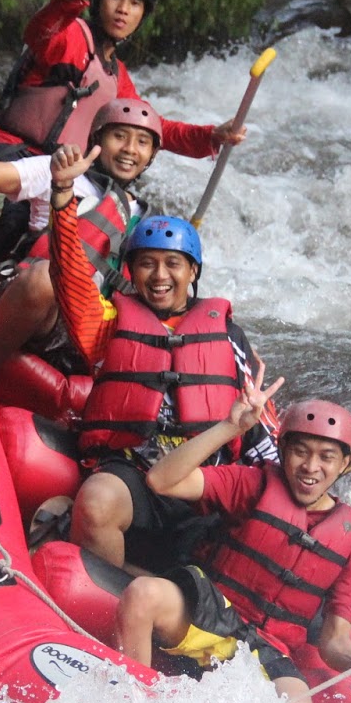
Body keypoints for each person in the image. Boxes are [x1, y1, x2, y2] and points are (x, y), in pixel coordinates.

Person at [0, 0, 246, 301]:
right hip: (8, 151)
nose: (123, 9)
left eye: (134, 4)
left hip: (61, 173)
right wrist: (63, 2)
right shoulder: (72, 35)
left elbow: (152, 128)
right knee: (12, 218)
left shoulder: (116, 77)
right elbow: (40, 36)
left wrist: (211, 137)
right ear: (99, 0)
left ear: (141, 16)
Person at [115, 380, 351, 703]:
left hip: (270, 648)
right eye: (300, 451)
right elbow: (161, 480)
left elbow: (334, 639)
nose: (310, 466)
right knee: (143, 594)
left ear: (346, 464)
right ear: (283, 451)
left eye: (326, 457)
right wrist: (231, 427)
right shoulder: (253, 483)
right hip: (212, 610)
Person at [49, 184, 278, 572]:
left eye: (173, 263)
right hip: (131, 473)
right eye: (147, 263)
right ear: (130, 270)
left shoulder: (227, 334)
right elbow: (70, 280)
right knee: (98, 500)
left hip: (205, 479)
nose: (159, 276)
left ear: (193, 271)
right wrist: (61, 199)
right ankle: (107, 613)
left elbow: (257, 416)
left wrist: (280, 482)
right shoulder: (108, 323)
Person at [0, 97, 162, 378]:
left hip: (87, 325)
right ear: (97, 138)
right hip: (32, 297)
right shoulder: (57, 170)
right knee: (45, 278)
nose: (130, 150)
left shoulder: (147, 219)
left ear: (151, 156)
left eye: (142, 142)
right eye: (119, 136)